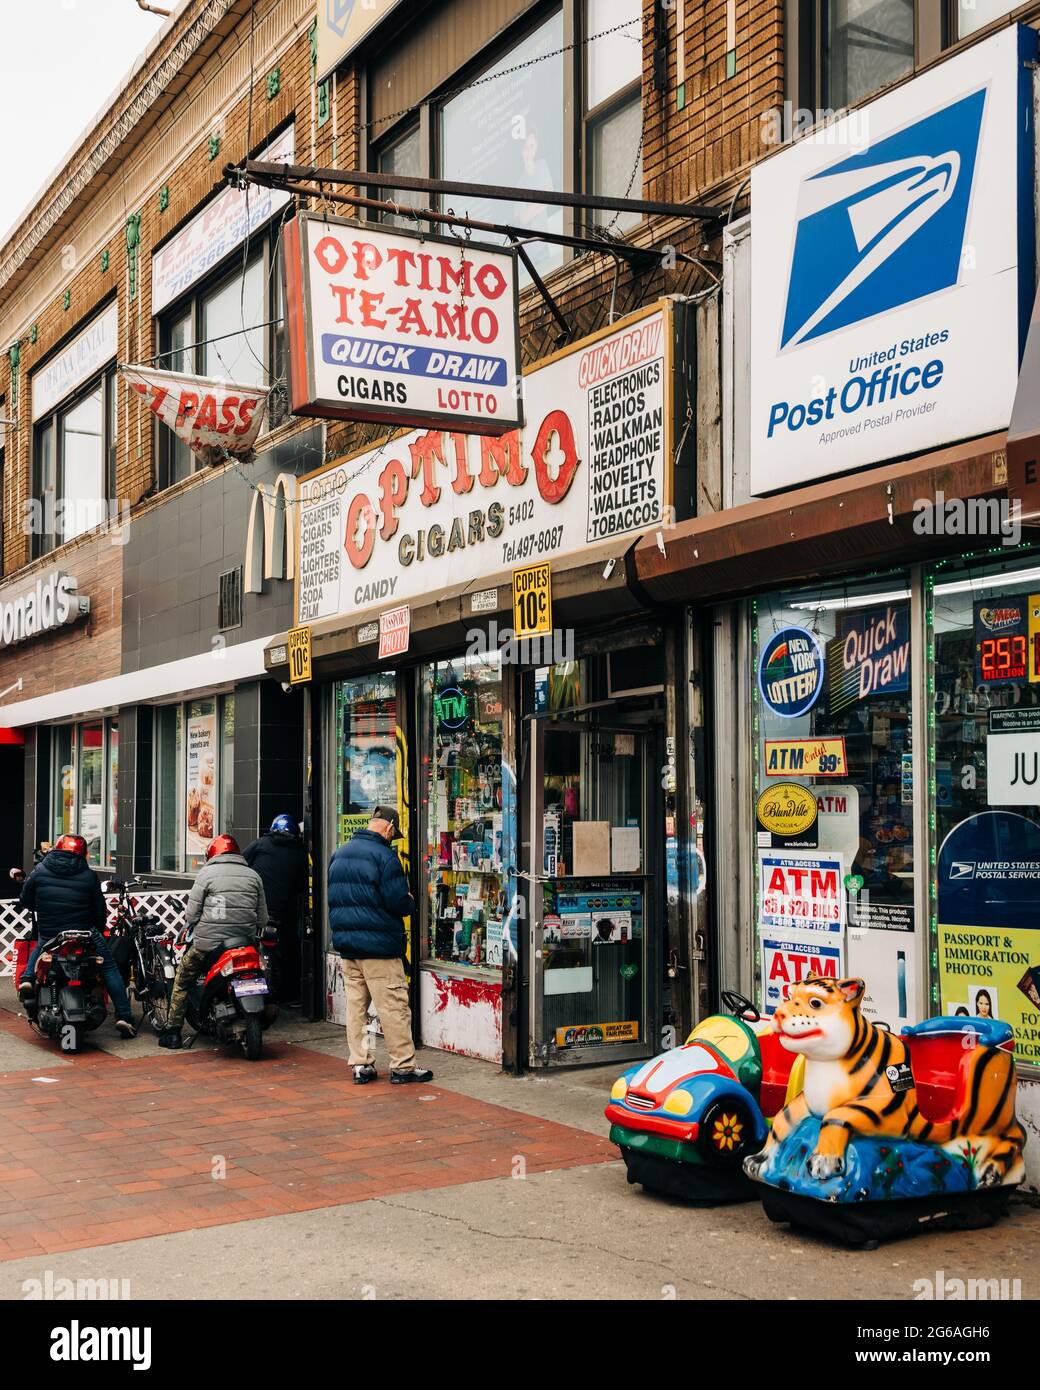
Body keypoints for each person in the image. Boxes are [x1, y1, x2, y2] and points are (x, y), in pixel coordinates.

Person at [327, 805, 432, 1085]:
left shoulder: (339, 853)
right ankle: (403, 1066)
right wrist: (411, 900)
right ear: (388, 828)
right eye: (393, 833)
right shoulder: (385, 857)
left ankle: (362, 1065)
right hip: (380, 949)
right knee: (393, 1007)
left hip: (349, 948)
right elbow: (399, 900)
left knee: (357, 1009)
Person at [16, 835, 136, 1038]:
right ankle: (124, 1015)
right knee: (109, 967)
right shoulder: (88, 874)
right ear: (82, 853)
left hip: (52, 930)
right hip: (84, 930)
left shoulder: (40, 870)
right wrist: (97, 929)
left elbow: (25, 900)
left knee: (41, 945)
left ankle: (27, 979)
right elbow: (99, 909)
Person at [159, 834, 267, 1050]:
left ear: (212, 855)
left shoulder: (206, 874)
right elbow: (262, 918)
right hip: (244, 943)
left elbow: (191, 915)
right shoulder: (253, 875)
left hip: (208, 946)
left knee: (182, 980)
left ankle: (173, 1032)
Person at [243, 814, 307, 1004]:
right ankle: (288, 994)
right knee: (287, 950)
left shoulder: (260, 844)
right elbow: (301, 887)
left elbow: (240, 863)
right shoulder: (300, 853)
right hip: (281, 912)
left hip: (253, 908)